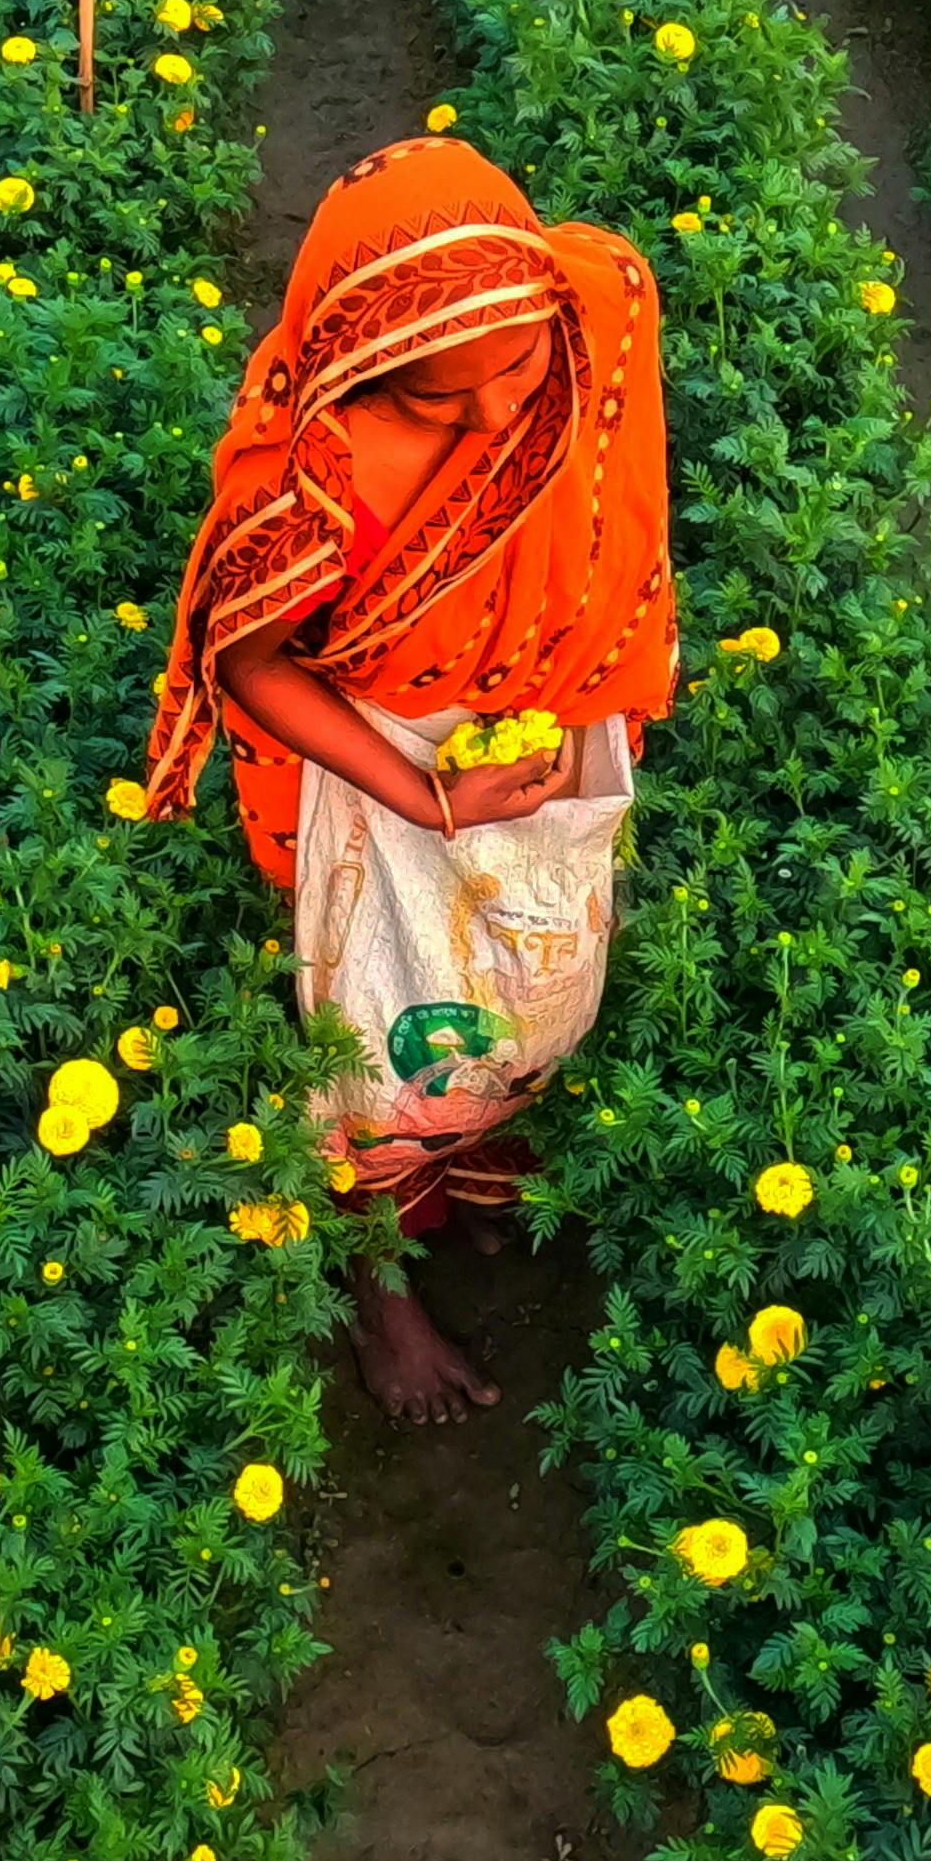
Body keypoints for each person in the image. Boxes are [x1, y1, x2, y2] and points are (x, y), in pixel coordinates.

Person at [142, 135, 675, 1422]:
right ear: (366, 370)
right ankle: (381, 1288)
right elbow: (250, 658)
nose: (497, 417)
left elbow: (613, 507)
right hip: (388, 771)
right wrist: (419, 792)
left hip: (539, 736)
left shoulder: (594, 305)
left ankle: (472, 1182)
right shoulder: (312, 469)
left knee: (529, 993)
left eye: (513, 370)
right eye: (439, 401)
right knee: (381, 1039)